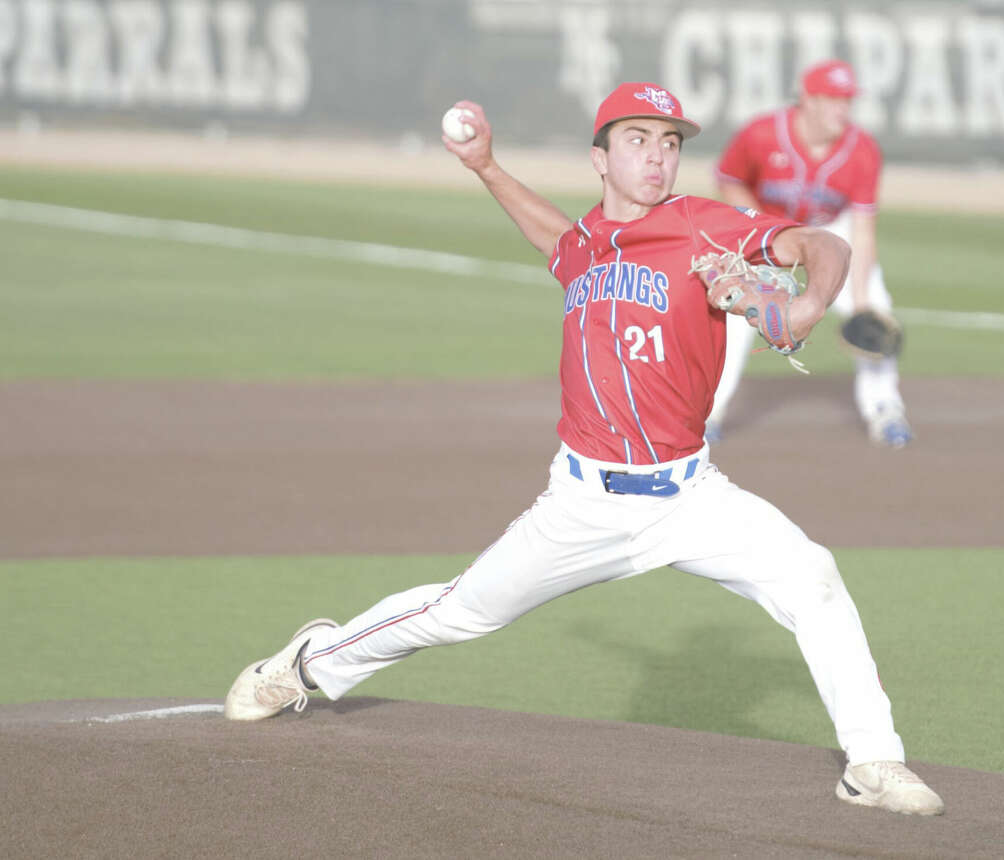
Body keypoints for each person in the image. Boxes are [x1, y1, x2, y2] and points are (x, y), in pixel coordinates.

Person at [223, 82, 944, 816]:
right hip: (581, 503)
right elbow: (557, 240)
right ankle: (308, 663)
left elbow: (825, 243)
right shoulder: (585, 245)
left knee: (812, 577)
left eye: (670, 143)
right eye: (638, 140)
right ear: (600, 158)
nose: (658, 157)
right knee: (460, 612)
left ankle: (873, 762)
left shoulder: (705, 226)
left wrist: (806, 303)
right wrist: (487, 166)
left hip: (690, 497)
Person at [707, 59, 912, 448]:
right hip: (768, 229)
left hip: (828, 234)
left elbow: (862, 230)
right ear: (808, 99)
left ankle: (884, 408)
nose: (843, 109)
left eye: (847, 100)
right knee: (734, 314)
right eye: (833, 99)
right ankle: (708, 412)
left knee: (875, 311)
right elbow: (729, 181)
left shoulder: (862, 150)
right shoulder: (762, 134)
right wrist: (761, 230)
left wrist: (863, 301)